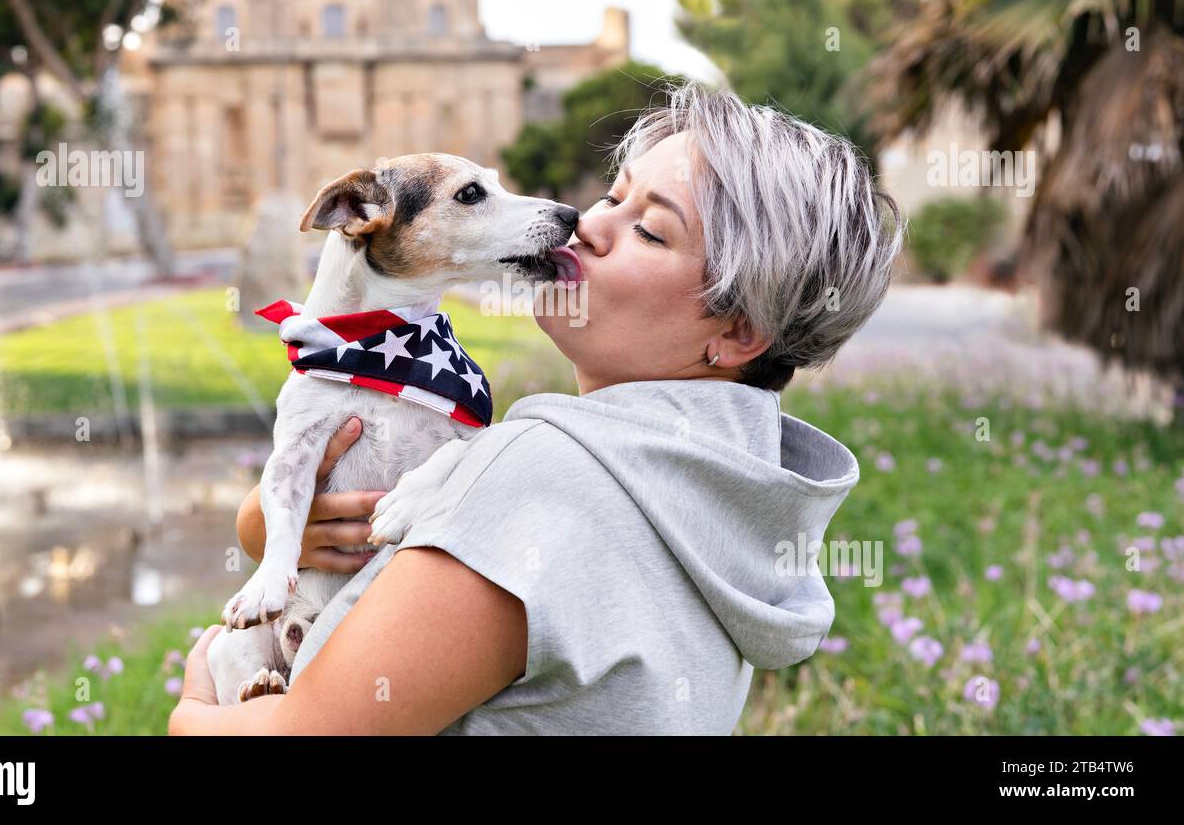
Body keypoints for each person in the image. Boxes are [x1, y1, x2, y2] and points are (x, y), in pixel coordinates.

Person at [169, 80, 903, 735]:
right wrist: (273, 523)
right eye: (613, 195)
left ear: (738, 332)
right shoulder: (729, 494)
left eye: (649, 229)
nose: (585, 224)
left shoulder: (538, 479)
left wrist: (194, 711)